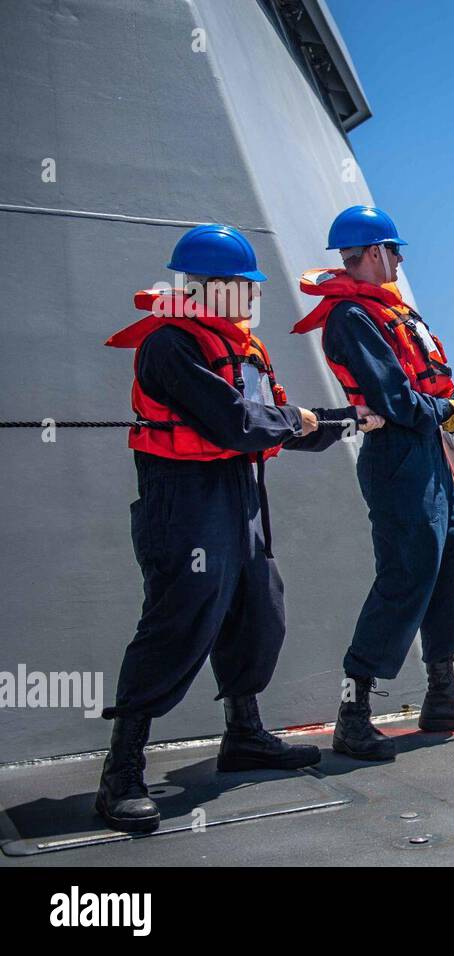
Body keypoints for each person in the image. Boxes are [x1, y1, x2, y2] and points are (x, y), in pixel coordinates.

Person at [98, 223, 381, 833]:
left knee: (258, 611)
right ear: (209, 287)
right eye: (244, 285)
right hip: (186, 502)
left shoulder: (244, 349)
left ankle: (244, 733)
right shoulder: (170, 345)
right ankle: (121, 768)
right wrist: (304, 420)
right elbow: (236, 423)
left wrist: (345, 421)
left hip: (241, 498)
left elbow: (275, 422)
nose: (255, 295)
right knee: (178, 621)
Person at [293, 205, 454, 761]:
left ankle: (443, 693)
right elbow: (394, 398)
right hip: (396, 455)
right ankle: (354, 711)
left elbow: (422, 392)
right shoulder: (351, 317)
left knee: (453, 565)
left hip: (425, 449)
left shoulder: (388, 312)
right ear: (374, 252)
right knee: (407, 571)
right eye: (394, 251)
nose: (397, 260)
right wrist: (451, 412)